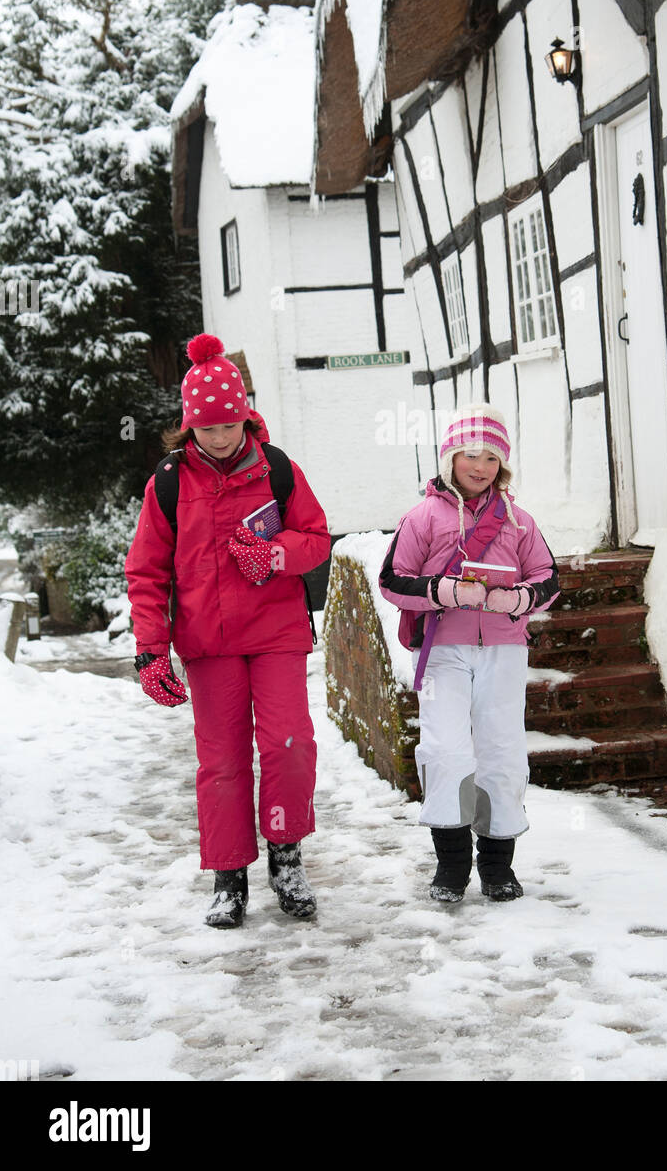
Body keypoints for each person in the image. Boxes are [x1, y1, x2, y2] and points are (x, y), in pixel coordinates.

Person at [125, 334, 329, 929]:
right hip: (207, 644)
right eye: (207, 428)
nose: (220, 437)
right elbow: (146, 571)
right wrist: (149, 652)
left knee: (289, 744)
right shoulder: (168, 483)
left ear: (246, 415)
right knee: (222, 761)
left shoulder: (279, 471)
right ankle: (229, 874)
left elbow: (316, 539)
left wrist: (273, 555)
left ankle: (287, 855)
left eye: (229, 424)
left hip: (276, 635)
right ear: (189, 427)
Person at [379, 404, 559, 903]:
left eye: (490, 458)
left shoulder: (519, 522)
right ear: (450, 458)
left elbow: (548, 577)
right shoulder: (421, 517)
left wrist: (519, 598)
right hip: (443, 650)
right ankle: (452, 866)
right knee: (445, 750)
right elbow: (392, 580)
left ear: (502, 466)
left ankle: (498, 867)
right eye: (469, 455)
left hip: (503, 649)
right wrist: (444, 592)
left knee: (501, 750)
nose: (479, 467)